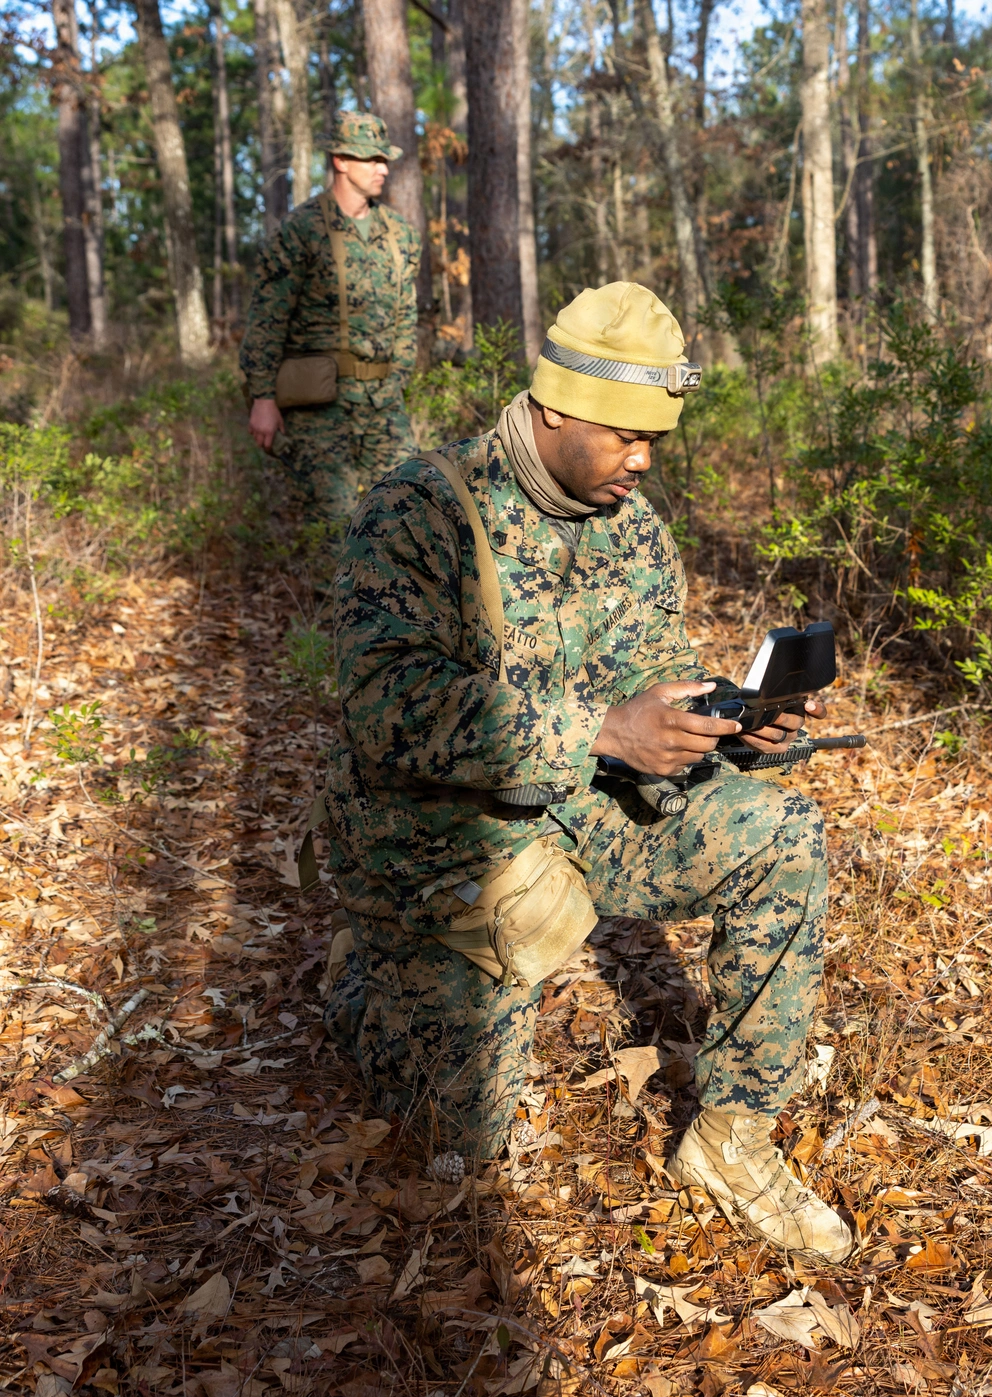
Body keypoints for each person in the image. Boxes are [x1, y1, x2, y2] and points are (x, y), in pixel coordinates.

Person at [321, 282, 852, 1264]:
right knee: (457, 1137)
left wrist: (728, 726)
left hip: (589, 804)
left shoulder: (634, 526)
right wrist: (601, 731)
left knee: (782, 833)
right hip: (450, 831)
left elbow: (653, 671)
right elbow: (383, 706)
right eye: (624, 434)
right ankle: (372, 977)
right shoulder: (420, 510)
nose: (642, 457)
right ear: (555, 405)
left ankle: (731, 1143)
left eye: (657, 437)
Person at [240, 111, 420, 552]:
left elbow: (406, 321)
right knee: (333, 532)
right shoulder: (302, 231)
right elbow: (267, 318)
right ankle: (328, 619)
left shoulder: (399, 235)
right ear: (340, 160)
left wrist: (396, 383)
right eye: (372, 159)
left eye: (385, 159)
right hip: (321, 408)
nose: (383, 168)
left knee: (405, 516)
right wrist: (263, 397)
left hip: (383, 405)